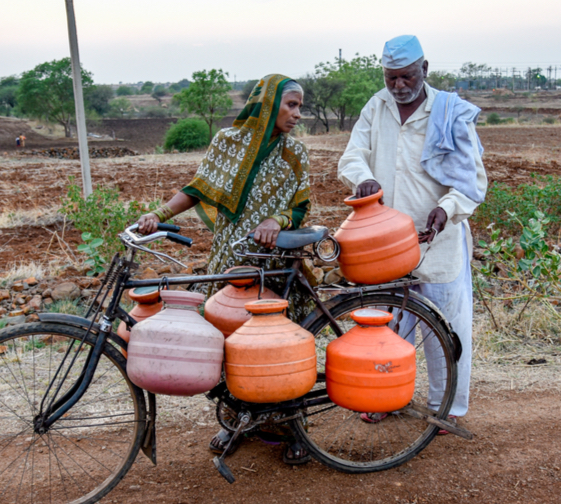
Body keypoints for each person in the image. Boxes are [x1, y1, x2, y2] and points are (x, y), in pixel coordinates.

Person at [136, 74, 312, 464]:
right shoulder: (226, 143)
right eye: (292, 105)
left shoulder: (295, 154)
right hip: (229, 262)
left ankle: (292, 427)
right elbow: (198, 189)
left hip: (274, 267)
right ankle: (237, 421)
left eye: (300, 106)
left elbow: (301, 206)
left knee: (277, 349)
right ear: (267, 103)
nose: (298, 114)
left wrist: (277, 221)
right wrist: (157, 214)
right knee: (225, 345)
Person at [337, 34, 487, 429]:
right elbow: (352, 155)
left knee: (446, 329)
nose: (399, 86)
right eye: (391, 78)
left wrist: (447, 208)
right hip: (383, 243)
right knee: (383, 326)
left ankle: (448, 408)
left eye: (406, 77)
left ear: (425, 69)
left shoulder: (450, 112)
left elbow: (473, 181)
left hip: (436, 239)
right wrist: (364, 178)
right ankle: (384, 397)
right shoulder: (377, 106)